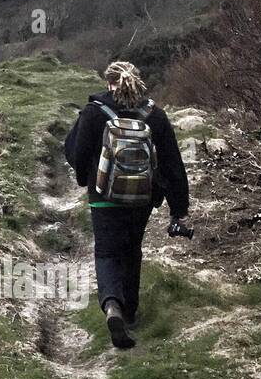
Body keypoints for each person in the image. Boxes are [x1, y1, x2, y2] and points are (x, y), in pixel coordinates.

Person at [64, 61, 191, 349]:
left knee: (107, 252)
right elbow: (173, 165)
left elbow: (77, 153)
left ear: (109, 83)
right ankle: (130, 313)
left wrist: (86, 180)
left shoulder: (94, 112)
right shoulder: (155, 116)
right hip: (142, 199)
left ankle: (112, 305)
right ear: (138, 83)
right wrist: (178, 208)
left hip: (104, 199)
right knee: (132, 249)